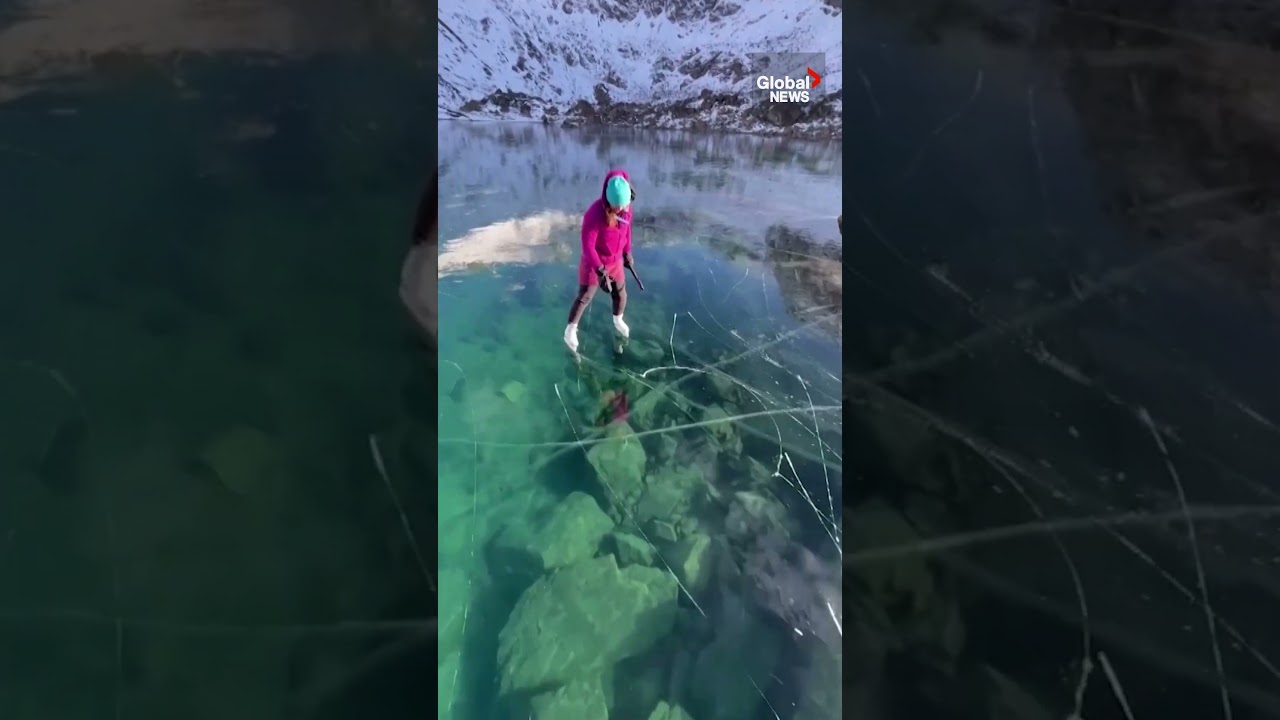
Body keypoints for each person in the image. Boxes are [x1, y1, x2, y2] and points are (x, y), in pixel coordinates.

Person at [564, 169, 635, 353]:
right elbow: (588, 248)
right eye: (617, 206)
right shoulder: (594, 215)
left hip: (615, 260)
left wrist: (627, 252)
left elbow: (627, 232)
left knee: (620, 294)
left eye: (623, 205)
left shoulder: (626, 209)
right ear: (608, 201)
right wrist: (600, 270)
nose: (621, 209)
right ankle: (570, 329)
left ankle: (618, 319)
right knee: (586, 295)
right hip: (594, 262)